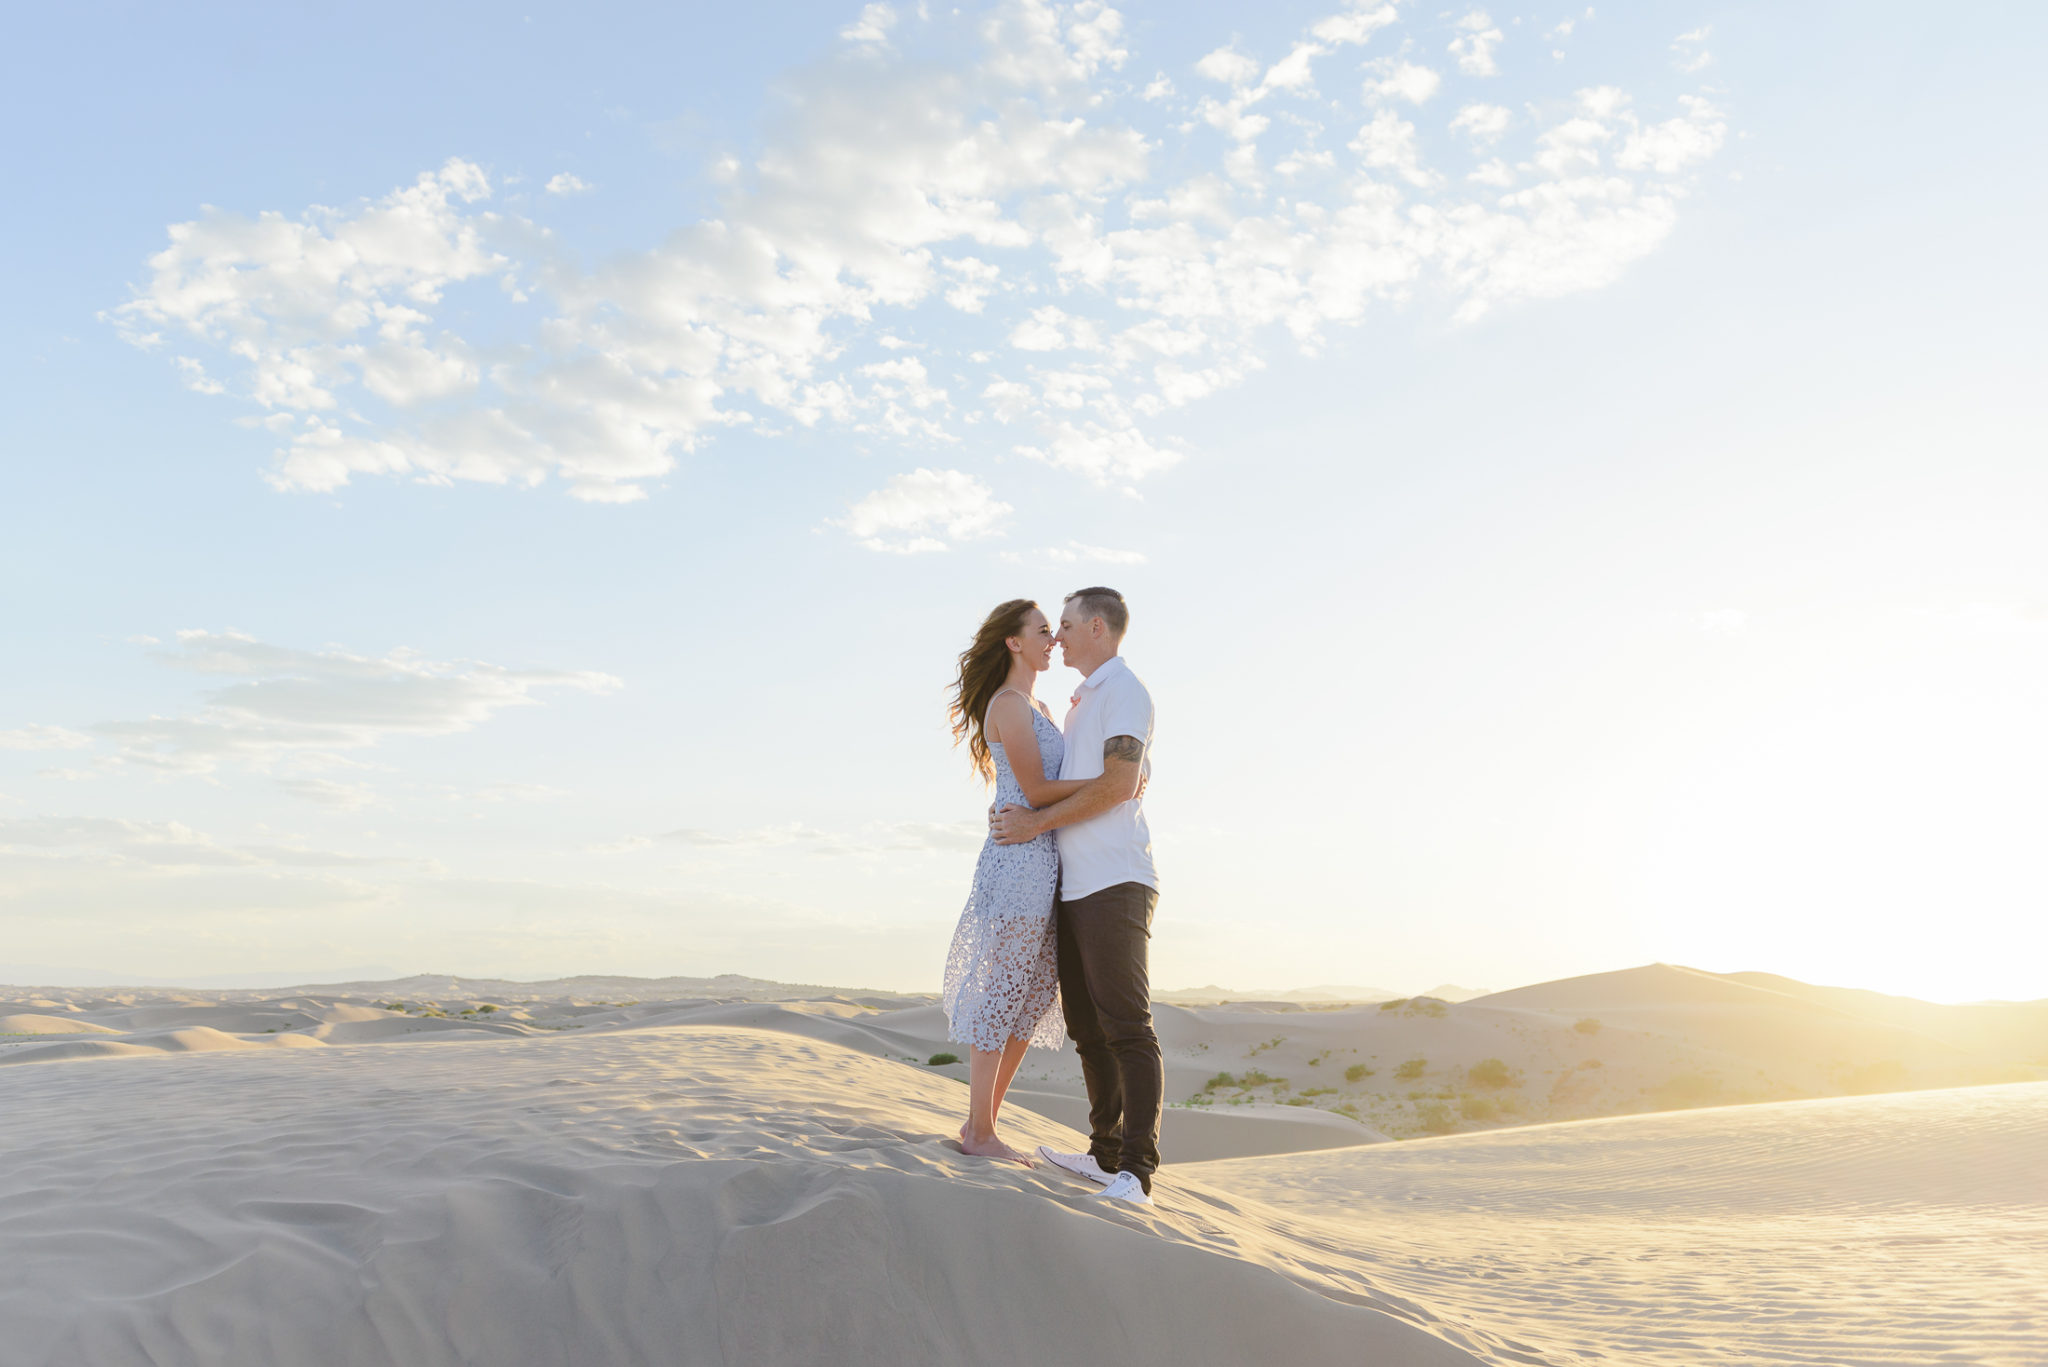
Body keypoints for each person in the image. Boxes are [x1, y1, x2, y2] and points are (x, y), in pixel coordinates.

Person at [991, 587, 1160, 1206]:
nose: (1056, 636)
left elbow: (1119, 784)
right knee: (1088, 1030)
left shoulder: (1125, 691)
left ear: (1096, 626)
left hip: (1116, 878)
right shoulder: (1080, 702)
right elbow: (1095, 780)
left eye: (1064, 625)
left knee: (1127, 1027)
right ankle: (1102, 1154)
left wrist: (1033, 823)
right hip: (1073, 882)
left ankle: (1136, 1175)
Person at [940, 598, 1097, 1164]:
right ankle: (980, 1133)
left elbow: (1031, 791)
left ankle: (981, 1123)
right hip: (1017, 865)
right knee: (1003, 992)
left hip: (1044, 860)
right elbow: (1032, 792)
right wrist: (1111, 781)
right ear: (1014, 642)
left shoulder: (1040, 704)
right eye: (1041, 631)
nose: (1052, 639)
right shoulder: (1009, 704)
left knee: (1031, 999)